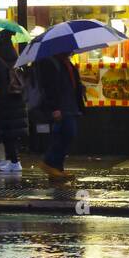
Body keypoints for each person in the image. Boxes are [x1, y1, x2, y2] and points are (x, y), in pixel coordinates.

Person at [38, 50, 86, 179]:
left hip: (70, 105)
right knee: (68, 133)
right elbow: (49, 87)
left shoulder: (66, 62)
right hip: (61, 107)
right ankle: (48, 162)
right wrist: (54, 108)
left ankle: (57, 169)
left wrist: (80, 88)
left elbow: (71, 84)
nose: (73, 50)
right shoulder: (50, 62)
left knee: (63, 135)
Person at [0, 32, 27, 173]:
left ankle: (14, 162)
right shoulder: (14, 55)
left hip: (5, 99)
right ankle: (10, 159)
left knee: (7, 132)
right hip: (15, 99)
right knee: (10, 132)